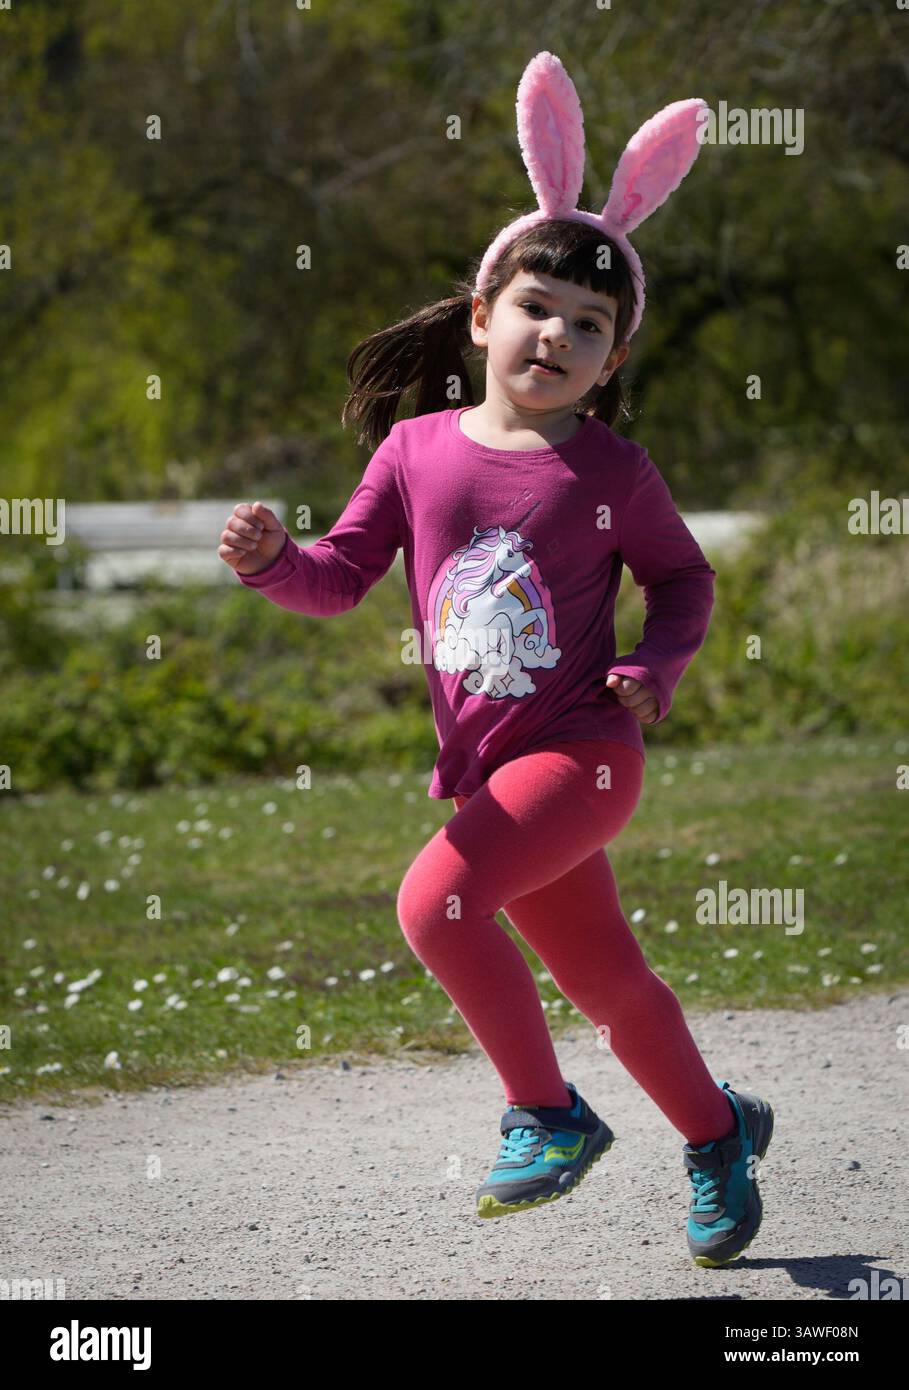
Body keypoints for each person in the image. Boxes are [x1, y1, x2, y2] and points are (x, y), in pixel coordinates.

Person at [218, 52, 773, 1267]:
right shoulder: (417, 452)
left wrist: (656, 664)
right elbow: (340, 577)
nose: (558, 335)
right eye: (537, 310)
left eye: (591, 326)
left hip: (586, 755)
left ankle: (547, 1114)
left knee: (437, 901)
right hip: (494, 773)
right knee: (614, 991)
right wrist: (273, 558)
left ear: (612, 358)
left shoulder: (616, 475)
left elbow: (687, 579)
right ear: (482, 316)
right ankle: (722, 1130)